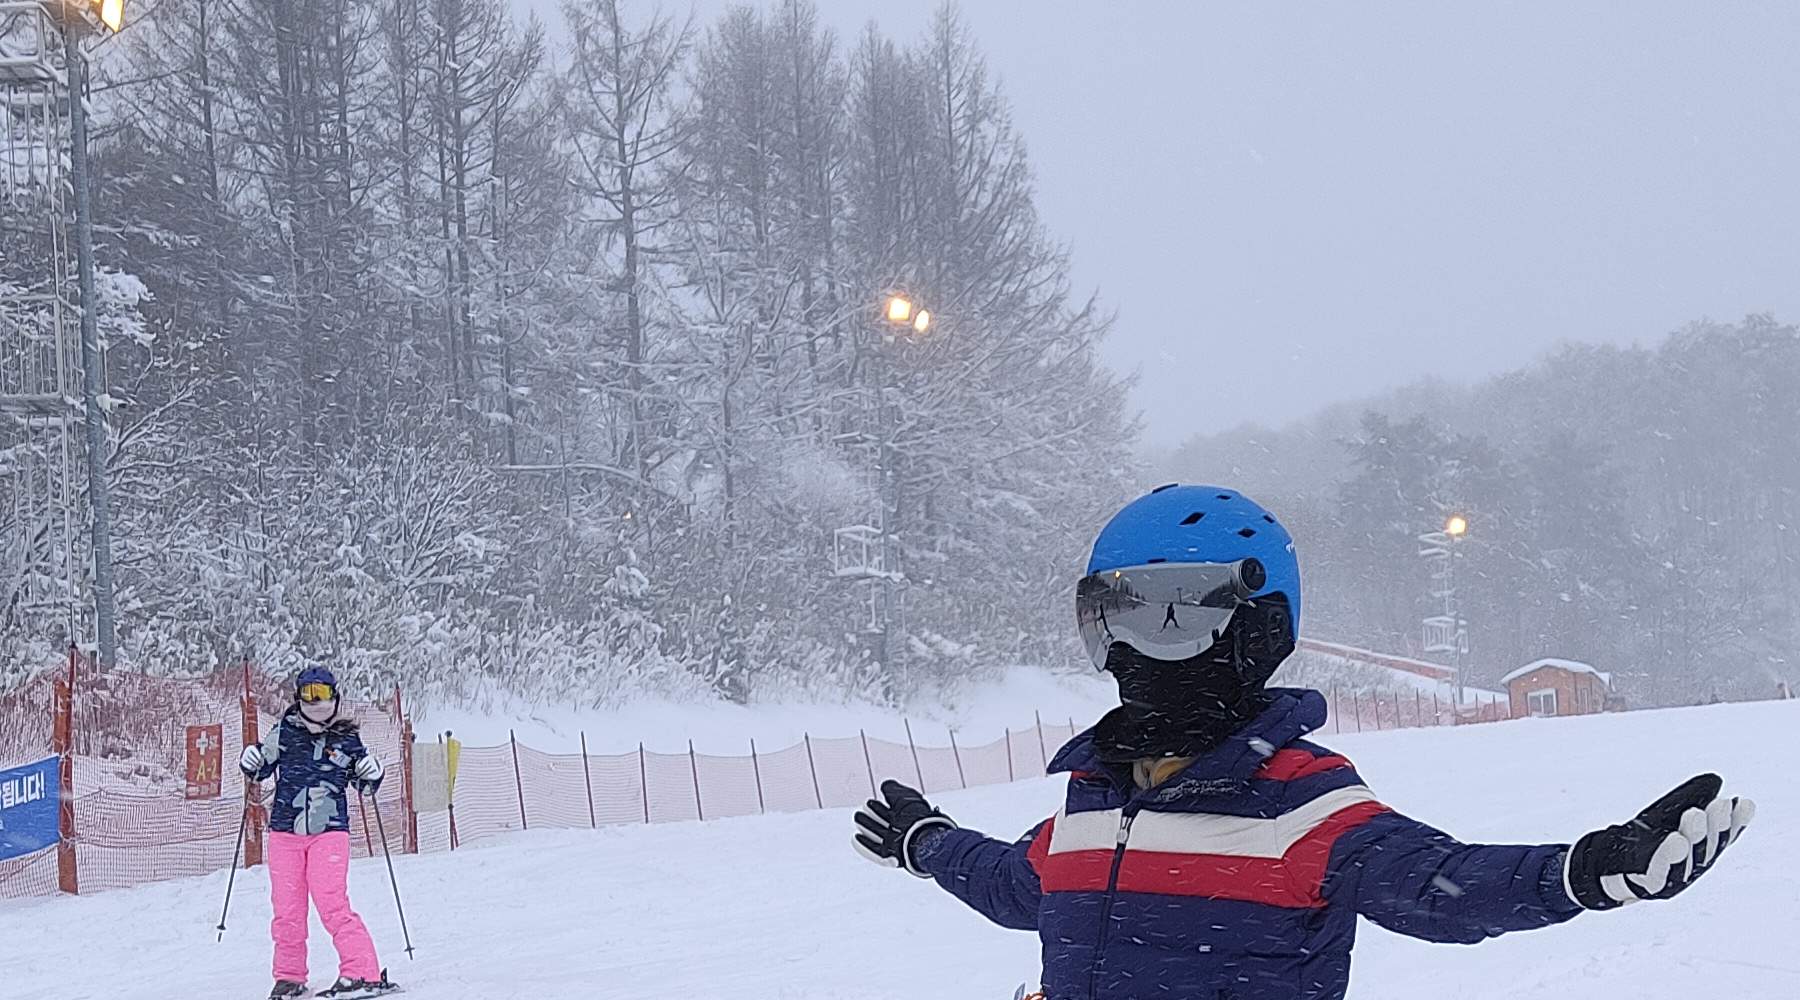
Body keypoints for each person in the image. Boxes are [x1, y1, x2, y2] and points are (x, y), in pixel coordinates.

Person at [853, 484, 1755, 1000]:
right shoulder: (1095, 798)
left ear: (1259, 631)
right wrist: (925, 843)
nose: (1140, 650)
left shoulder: (1298, 803)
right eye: (1117, 619)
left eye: (1180, 617)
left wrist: (1585, 872)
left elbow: (1437, 886)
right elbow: (1019, 886)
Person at [239, 666, 400, 1000]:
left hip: (329, 832)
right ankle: (289, 977)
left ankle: (361, 972)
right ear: (298, 698)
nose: (316, 701)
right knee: (287, 908)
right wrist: (250, 759)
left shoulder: (346, 736)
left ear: (335, 696)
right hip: (285, 830)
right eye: (309, 694)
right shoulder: (285, 731)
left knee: (331, 902)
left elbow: (364, 781)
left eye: (323, 693)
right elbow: (261, 767)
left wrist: (373, 774)